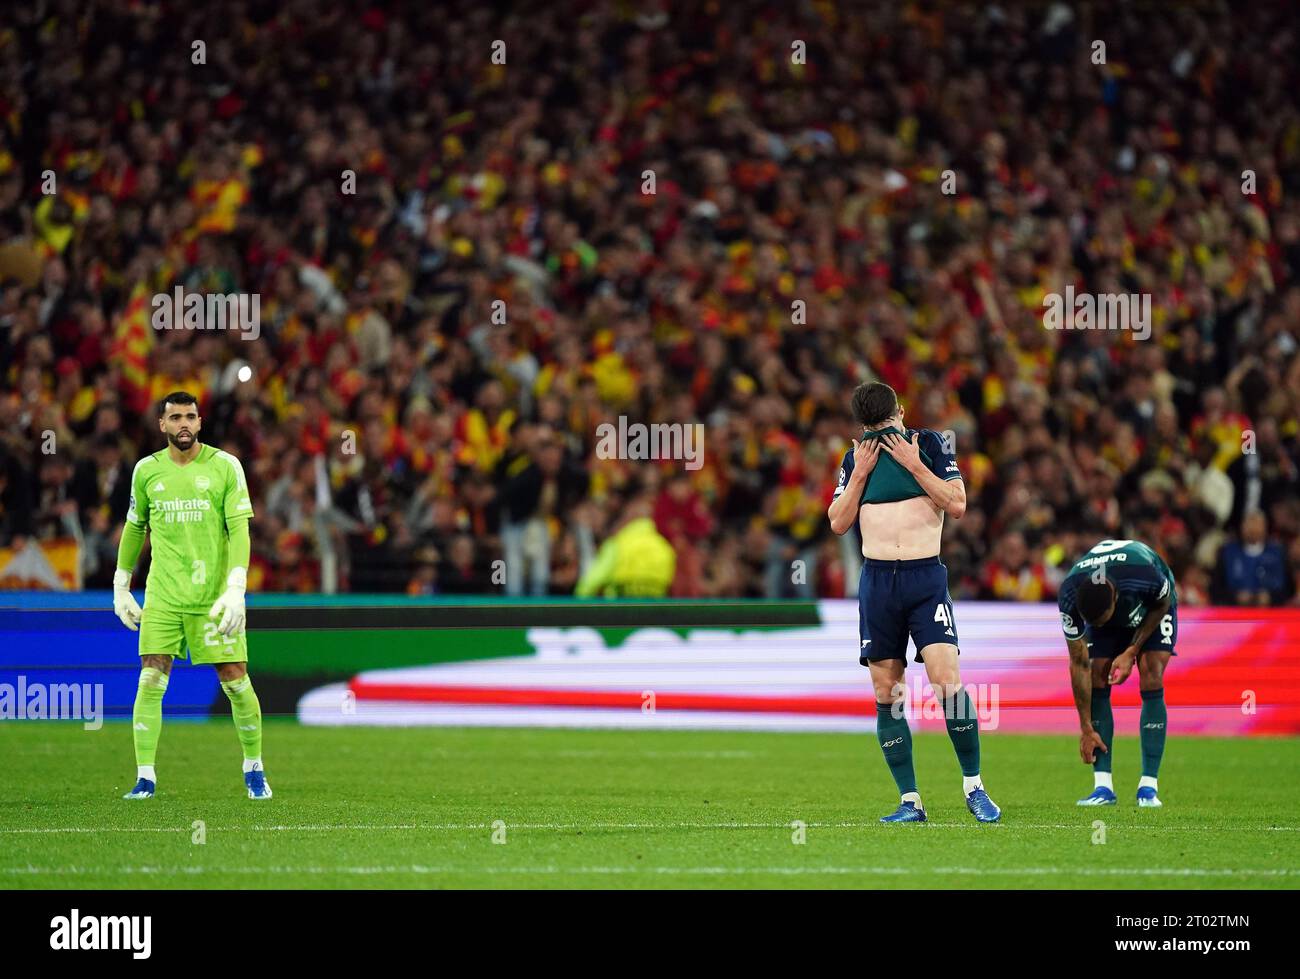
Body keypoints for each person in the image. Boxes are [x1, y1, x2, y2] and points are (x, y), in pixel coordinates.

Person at [827, 381, 1000, 823]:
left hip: (925, 580)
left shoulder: (932, 445)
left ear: (902, 414)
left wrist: (915, 464)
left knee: (947, 682)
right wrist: (861, 473)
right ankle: (911, 801)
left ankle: (974, 787)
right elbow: (839, 522)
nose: (882, 436)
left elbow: (957, 504)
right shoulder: (854, 460)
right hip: (879, 582)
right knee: (889, 694)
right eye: (876, 429)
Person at [112, 392, 268, 800]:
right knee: (150, 678)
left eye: (191, 417)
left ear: (200, 423)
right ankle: (145, 777)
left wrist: (236, 588)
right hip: (163, 595)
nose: (184, 423)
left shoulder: (225, 466)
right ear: (162, 425)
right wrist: (121, 584)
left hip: (213, 597)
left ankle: (254, 767)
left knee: (235, 681)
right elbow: (134, 527)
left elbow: (240, 530)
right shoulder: (146, 471)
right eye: (175, 417)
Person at [1056, 538, 1177, 807]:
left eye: (1100, 621)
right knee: (1098, 673)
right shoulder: (1069, 594)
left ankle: (1149, 787)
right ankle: (1103, 788)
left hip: (1151, 606)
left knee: (1151, 671)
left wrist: (1131, 650)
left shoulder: (1144, 576)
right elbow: (1078, 663)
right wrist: (1085, 727)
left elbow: (1163, 602)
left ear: (1115, 600)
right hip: (1109, 602)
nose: (1096, 625)